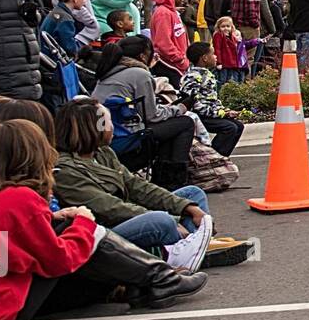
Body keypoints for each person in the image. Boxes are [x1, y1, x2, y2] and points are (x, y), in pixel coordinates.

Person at [0, 119, 208, 320]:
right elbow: (59, 260)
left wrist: (52, 218)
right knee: (82, 233)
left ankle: (148, 281)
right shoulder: (20, 197)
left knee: (67, 228)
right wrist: (84, 224)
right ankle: (160, 277)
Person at [53, 98, 213, 269]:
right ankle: (186, 250)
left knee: (192, 195)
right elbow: (109, 208)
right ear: (93, 127)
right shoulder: (65, 170)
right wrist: (173, 220)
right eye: (107, 122)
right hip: (105, 232)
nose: (113, 127)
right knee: (161, 221)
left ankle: (191, 248)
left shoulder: (102, 153)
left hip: (124, 216)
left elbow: (137, 186)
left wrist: (188, 207)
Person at [91, 34, 196, 187]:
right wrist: (181, 107)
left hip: (107, 136)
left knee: (170, 128)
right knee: (185, 123)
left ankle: (164, 181)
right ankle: (173, 181)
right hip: (127, 140)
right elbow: (152, 117)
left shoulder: (109, 72)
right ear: (143, 55)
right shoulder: (139, 74)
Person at [180, 41, 245, 156]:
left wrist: (225, 111)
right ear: (204, 58)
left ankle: (221, 156)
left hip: (209, 114)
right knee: (229, 128)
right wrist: (220, 114)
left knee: (238, 126)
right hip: (199, 116)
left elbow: (212, 100)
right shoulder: (193, 77)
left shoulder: (207, 74)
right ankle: (213, 157)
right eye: (213, 54)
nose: (216, 57)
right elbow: (194, 103)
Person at [37, 0, 88, 112]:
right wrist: (78, 52)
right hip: (55, 68)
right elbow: (68, 46)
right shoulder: (65, 19)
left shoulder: (56, 13)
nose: (85, 1)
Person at [148, 0, 189, 83]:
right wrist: (179, 58)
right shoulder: (163, 13)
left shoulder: (171, 12)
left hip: (177, 64)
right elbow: (163, 42)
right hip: (168, 64)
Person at [212, 15, 257, 85]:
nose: (226, 28)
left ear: (231, 27)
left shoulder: (232, 36)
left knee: (233, 81)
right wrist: (219, 62)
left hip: (233, 64)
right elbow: (217, 49)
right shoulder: (218, 35)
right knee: (223, 80)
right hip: (224, 64)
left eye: (228, 26)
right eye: (223, 26)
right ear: (219, 27)